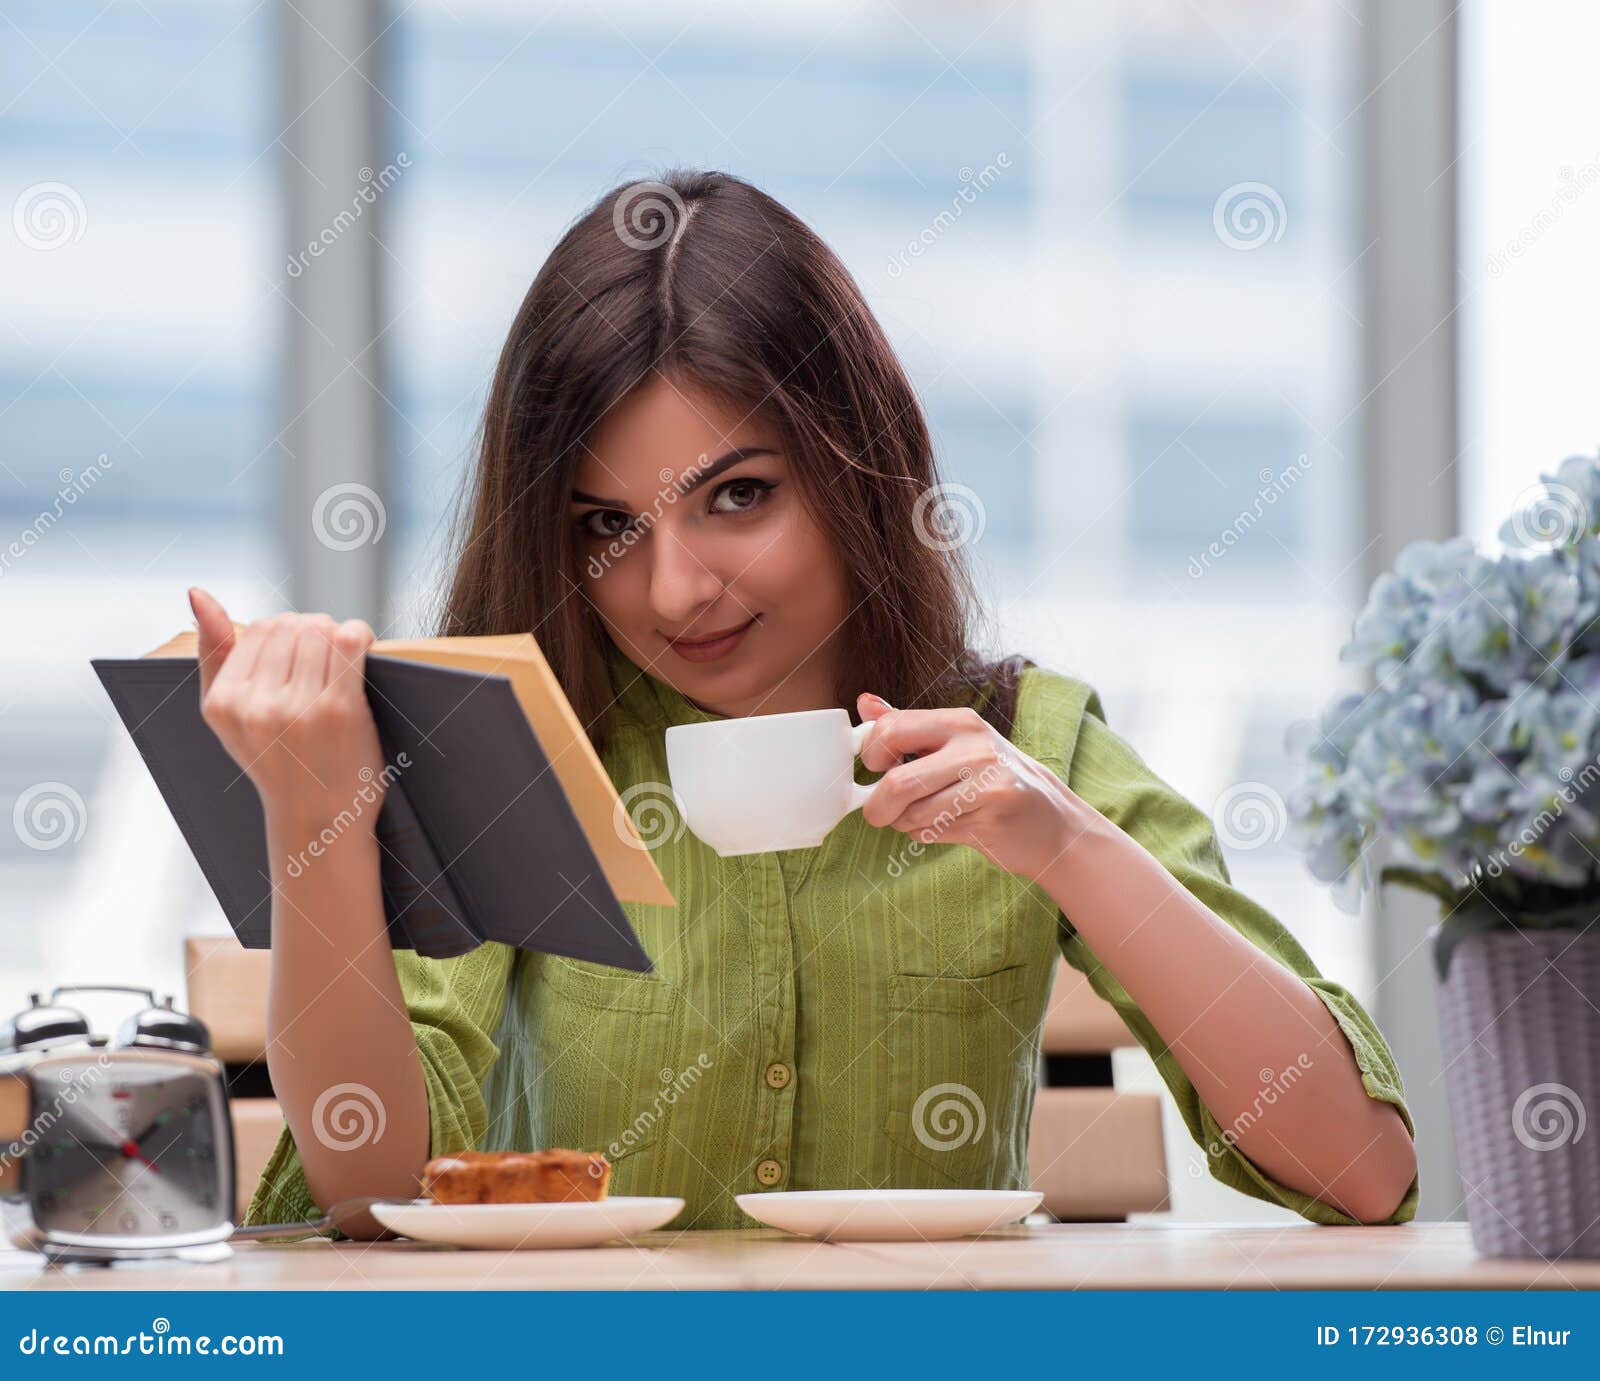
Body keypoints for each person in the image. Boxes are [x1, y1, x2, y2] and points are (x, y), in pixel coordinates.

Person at [195, 169, 1416, 1236]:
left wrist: (1067, 845)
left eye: (737, 497)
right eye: (610, 526)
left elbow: (1361, 1172)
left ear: (857, 470)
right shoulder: (517, 745)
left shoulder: (1023, 741)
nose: (675, 588)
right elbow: (371, 1187)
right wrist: (319, 817)